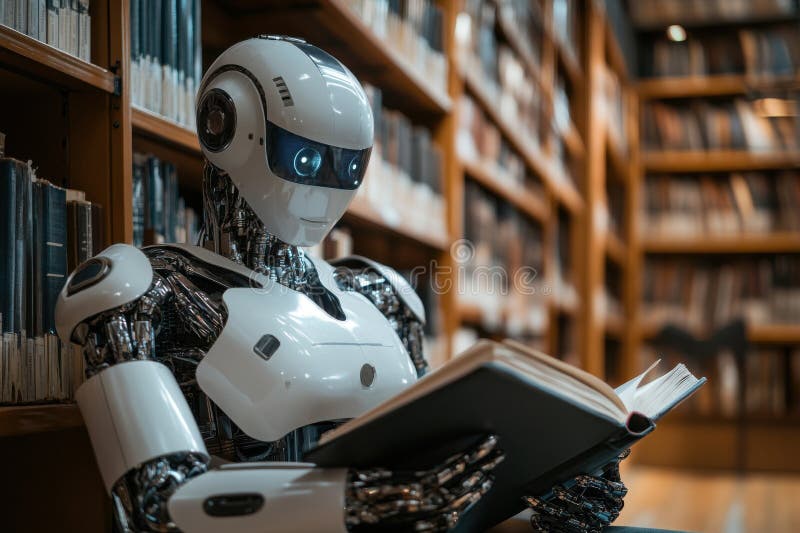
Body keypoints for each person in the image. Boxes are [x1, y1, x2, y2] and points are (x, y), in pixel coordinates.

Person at [55, 36, 629, 532]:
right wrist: (364, 505)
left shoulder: (378, 294)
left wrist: (545, 488)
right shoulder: (144, 291)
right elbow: (154, 501)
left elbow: (441, 466)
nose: (325, 188)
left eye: (347, 167)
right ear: (225, 126)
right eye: (306, 161)